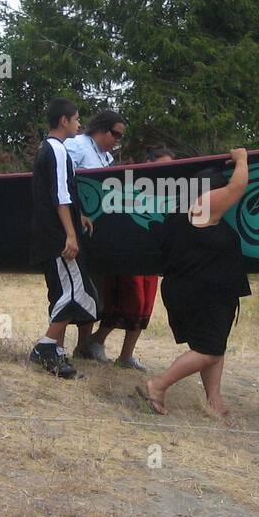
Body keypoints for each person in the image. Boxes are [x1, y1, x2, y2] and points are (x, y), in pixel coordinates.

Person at [137, 149, 251, 420]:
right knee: (209, 349)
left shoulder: (185, 212)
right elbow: (237, 186)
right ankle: (158, 385)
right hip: (199, 292)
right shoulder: (201, 208)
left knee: (215, 345)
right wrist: (242, 159)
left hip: (207, 291)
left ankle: (214, 399)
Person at [28, 97, 98, 378]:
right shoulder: (57, 149)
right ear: (64, 121)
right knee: (79, 294)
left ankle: (56, 352)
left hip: (49, 230)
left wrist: (78, 214)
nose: (80, 124)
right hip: (56, 235)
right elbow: (60, 195)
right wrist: (71, 234)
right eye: (77, 118)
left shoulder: (47, 148)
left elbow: (58, 194)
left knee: (60, 293)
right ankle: (45, 347)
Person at [92, 146, 170, 372]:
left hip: (151, 257)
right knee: (126, 301)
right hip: (128, 255)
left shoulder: (168, 192)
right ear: (147, 162)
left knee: (143, 306)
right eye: (160, 166)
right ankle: (97, 340)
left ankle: (126, 355)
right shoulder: (128, 186)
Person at [62, 110, 125, 362]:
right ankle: (53, 345)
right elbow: (61, 181)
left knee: (93, 290)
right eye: (115, 134)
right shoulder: (75, 146)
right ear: (101, 128)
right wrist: (74, 216)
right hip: (71, 227)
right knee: (71, 288)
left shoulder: (105, 156)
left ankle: (83, 346)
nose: (117, 140)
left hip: (95, 233)